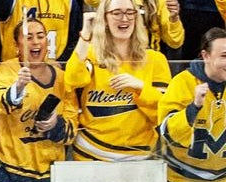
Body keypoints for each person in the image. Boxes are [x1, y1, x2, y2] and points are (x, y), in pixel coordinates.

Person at [65, 0, 170, 161]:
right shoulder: (92, 54)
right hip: (91, 152)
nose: (124, 18)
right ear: (104, 19)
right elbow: (73, 80)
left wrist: (140, 87)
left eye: (130, 12)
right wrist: (86, 34)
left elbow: (163, 112)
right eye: (117, 13)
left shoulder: (156, 59)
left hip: (139, 156)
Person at [0, 17, 77, 182]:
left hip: (49, 173)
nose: (36, 42)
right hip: (5, 170)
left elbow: (71, 130)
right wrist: (18, 87)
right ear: (16, 45)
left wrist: (54, 125)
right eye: (28, 37)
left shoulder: (63, 78)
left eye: (40, 36)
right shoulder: (6, 70)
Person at [158, 27, 226, 182]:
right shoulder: (182, 82)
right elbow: (166, 132)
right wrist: (193, 108)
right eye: (224, 56)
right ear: (205, 56)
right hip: (181, 181)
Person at [0, 0, 74, 61]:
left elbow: (74, 38)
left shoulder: (69, 2)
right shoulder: (10, 2)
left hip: (55, 70)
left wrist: (61, 63)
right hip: (15, 71)